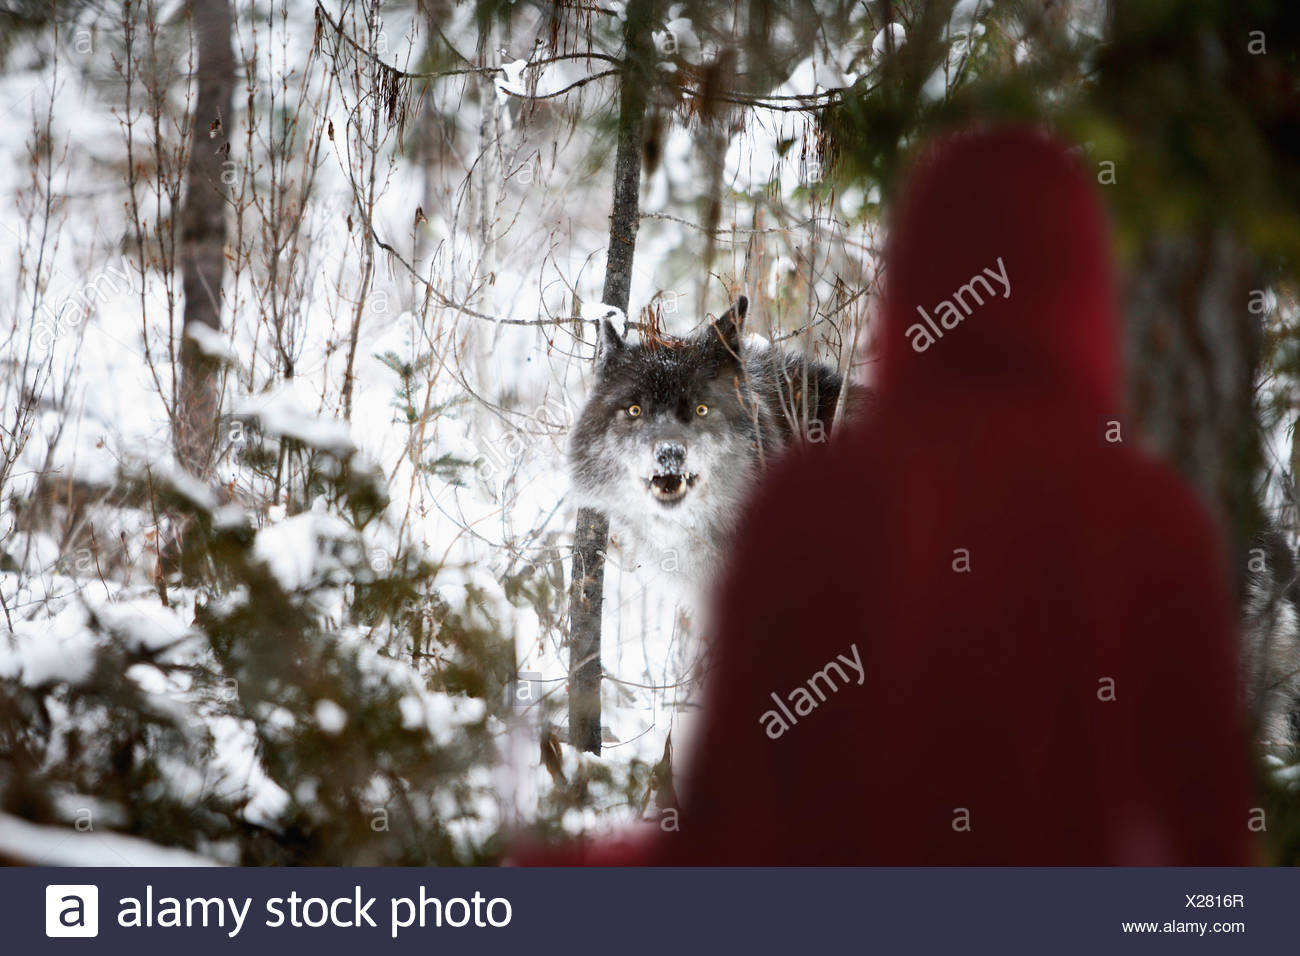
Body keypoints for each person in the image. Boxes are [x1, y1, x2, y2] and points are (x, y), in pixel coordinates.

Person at [521, 124, 1257, 865]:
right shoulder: (1161, 519)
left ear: (915, 281)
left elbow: (741, 833)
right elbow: (1213, 854)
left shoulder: (816, 500)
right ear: (1087, 288)